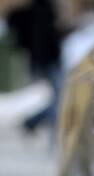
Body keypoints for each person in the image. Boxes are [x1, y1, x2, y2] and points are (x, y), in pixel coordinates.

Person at [6, 0, 63, 135]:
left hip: (43, 60)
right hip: (46, 61)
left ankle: (33, 122)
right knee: (58, 97)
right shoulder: (41, 10)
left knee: (55, 97)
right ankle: (35, 123)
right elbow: (44, 39)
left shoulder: (40, 10)